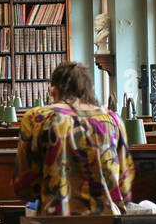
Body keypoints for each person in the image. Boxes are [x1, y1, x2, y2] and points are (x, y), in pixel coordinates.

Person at [14, 60, 135, 216]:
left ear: (53, 91)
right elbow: (124, 186)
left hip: (56, 222)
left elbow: (24, 186)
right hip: (107, 221)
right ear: (91, 89)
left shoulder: (38, 118)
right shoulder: (113, 120)